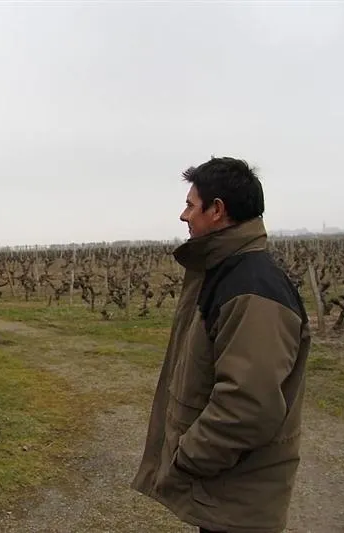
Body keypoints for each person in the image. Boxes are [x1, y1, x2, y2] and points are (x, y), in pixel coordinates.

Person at [131, 157, 311, 533]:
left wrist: (188, 456)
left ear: (217, 210)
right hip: (226, 489)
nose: (183, 216)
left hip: (238, 498)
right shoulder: (224, 273)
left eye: (190, 205)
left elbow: (248, 404)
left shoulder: (252, 289)